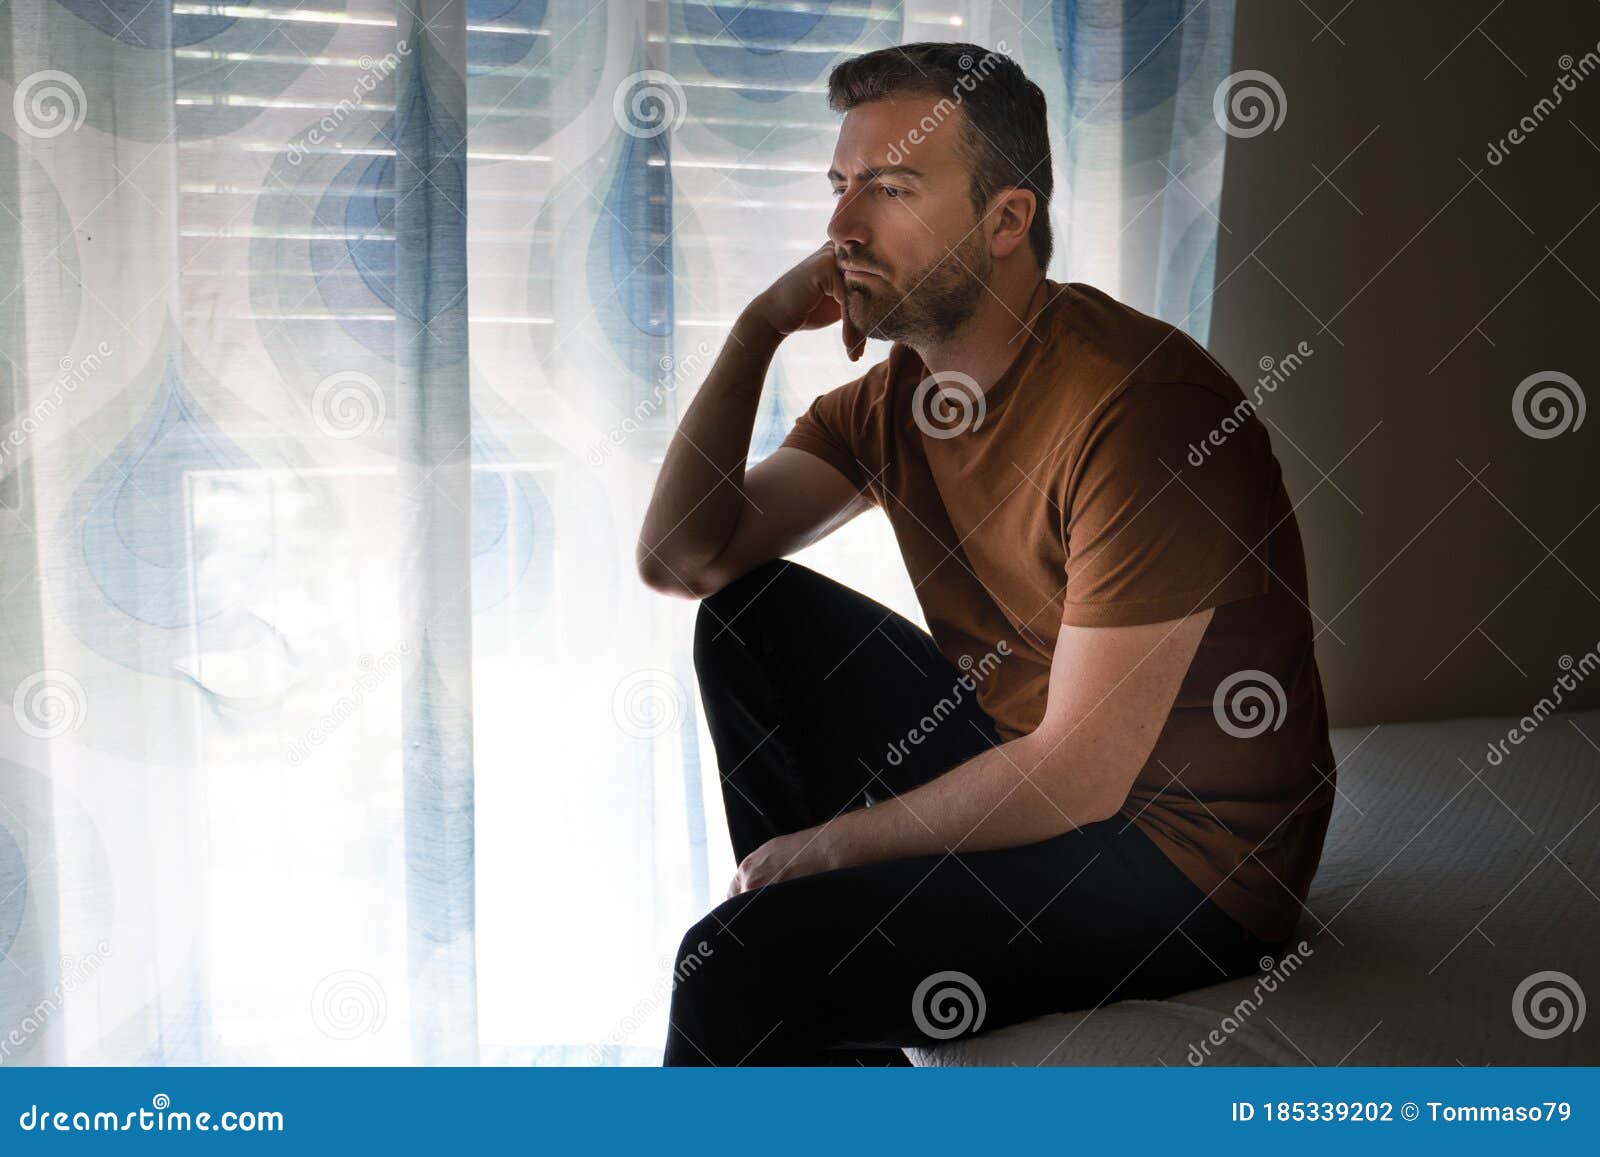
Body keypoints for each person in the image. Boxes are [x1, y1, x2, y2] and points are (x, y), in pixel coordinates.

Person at [636, 41, 1336, 1066]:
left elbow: (1083, 773)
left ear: (1006, 220)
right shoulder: (891, 402)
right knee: (746, 613)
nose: (840, 227)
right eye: (838, 188)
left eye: (888, 188)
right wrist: (755, 329)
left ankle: (797, 986)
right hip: (1039, 756)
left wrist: (824, 853)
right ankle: (830, 1040)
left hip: (1185, 858)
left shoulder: (1141, 408)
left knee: (732, 958)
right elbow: (684, 558)